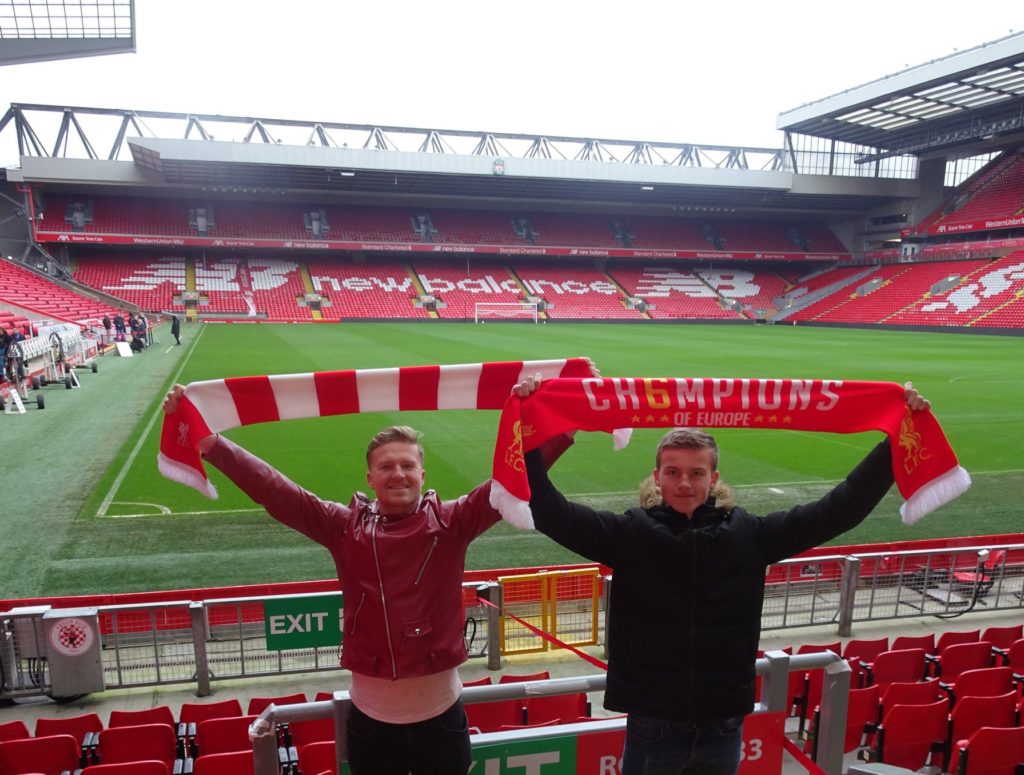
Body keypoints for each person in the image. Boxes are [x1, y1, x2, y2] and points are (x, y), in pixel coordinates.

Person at [512, 374, 931, 775]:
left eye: (696, 473)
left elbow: (840, 509)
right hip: (653, 725)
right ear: (657, 477)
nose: (683, 483)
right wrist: (529, 424)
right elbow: (546, 507)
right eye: (673, 472)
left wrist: (895, 437)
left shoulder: (750, 535)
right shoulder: (628, 534)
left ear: (712, 479)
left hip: (723, 727)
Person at [161, 386, 569, 774]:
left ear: (422, 474)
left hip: (442, 722)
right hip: (372, 726)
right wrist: (211, 443)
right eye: (386, 466)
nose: (398, 474)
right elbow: (276, 491)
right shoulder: (344, 528)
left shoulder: (453, 522)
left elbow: (511, 481)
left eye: (407, 465)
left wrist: (558, 417)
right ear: (370, 478)